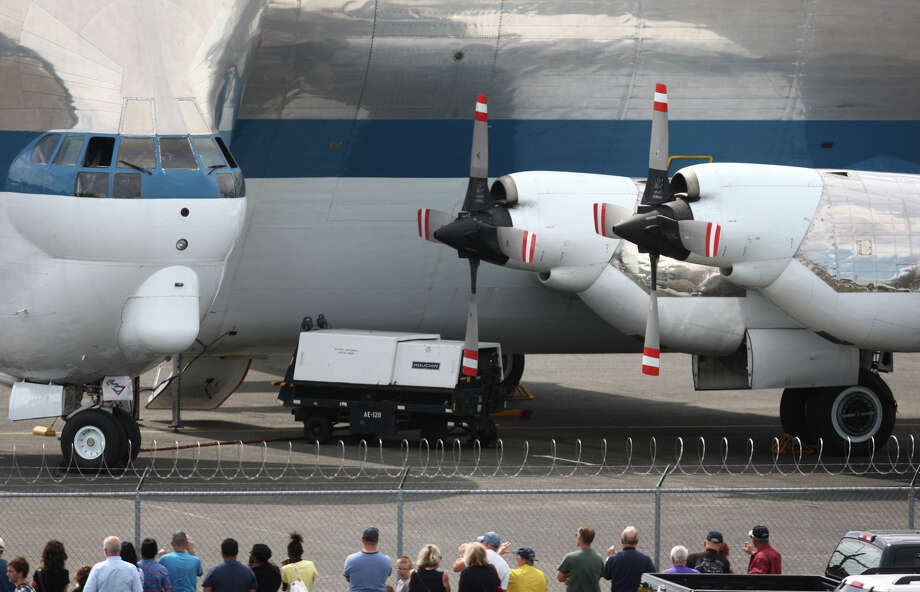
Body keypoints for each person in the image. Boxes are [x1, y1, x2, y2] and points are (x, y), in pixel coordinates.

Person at [602, 527, 655, 592]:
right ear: (637, 541)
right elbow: (653, 580)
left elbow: (606, 575)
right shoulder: (646, 560)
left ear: (622, 541)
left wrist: (608, 558)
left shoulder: (613, 559)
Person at [344, 527, 392, 592]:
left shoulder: (351, 559)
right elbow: (386, 575)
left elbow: (348, 578)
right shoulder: (386, 560)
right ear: (377, 541)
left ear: (362, 539)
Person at [557, 526, 603, 592]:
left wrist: (571, 577)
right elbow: (597, 577)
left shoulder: (570, 557)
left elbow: (560, 577)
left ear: (579, 537)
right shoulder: (599, 558)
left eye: (577, 535)